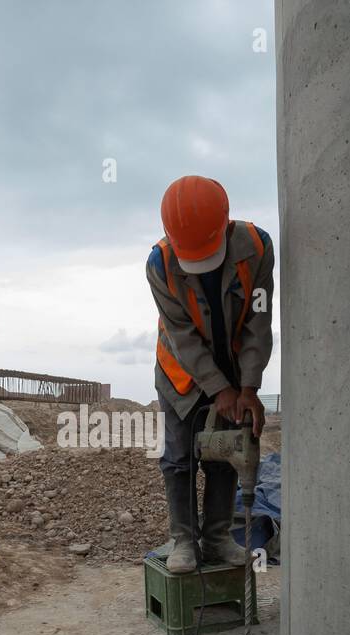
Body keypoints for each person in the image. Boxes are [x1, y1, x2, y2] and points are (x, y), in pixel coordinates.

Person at [147, 175, 274, 572]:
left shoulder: (256, 248)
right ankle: (184, 539)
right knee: (180, 456)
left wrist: (248, 387)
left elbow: (258, 318)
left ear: (226, 223)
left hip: (236, 368)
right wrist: (218, 389)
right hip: (181, 374)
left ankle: (218, 538)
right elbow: (182, 336)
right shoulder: (160, 264)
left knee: (225, 452)